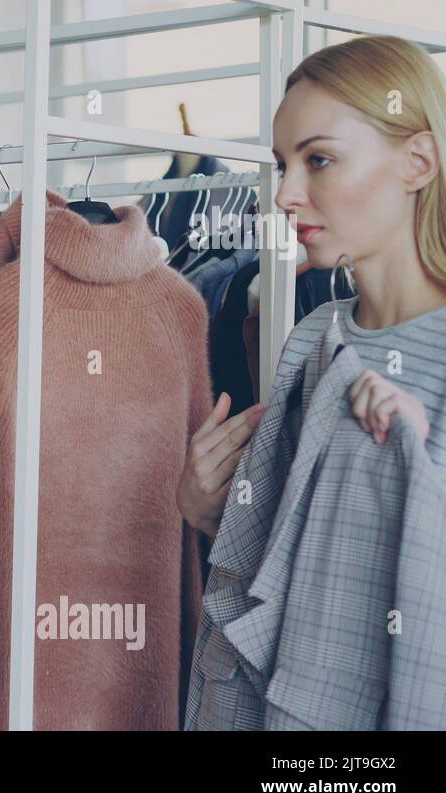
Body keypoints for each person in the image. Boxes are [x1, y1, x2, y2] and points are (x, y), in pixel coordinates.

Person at [178, 34, 446, 541]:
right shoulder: (310, 338)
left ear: (418, 162)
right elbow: (293, 563)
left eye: (318, 160)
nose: (283, 194)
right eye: (283, 165)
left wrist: (423, 463)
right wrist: (209, 513)